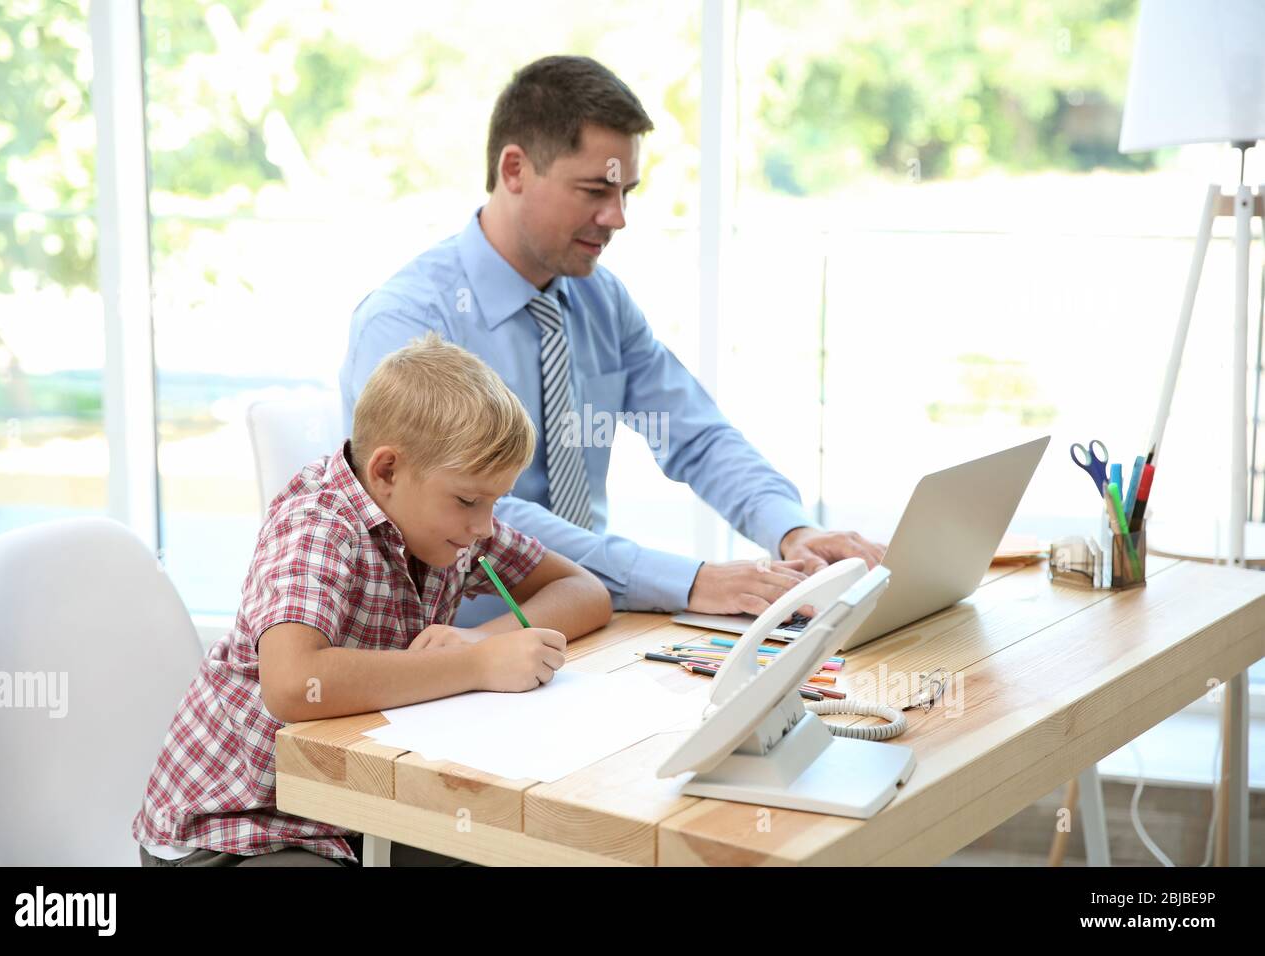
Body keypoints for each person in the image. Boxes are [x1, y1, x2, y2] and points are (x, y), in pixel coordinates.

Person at [341, 55, 884, 629]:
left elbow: (695, 436)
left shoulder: (600, 301)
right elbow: (485, 516)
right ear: (516, 169)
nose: (617, 216)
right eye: (595, 189)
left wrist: (792, 530)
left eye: (627, 191)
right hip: (458, 642)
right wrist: (689, 580)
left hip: (588, 620)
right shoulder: (406, 323)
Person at [133, 333, 612, 866]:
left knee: (516, 850)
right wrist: (474, 664)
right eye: (469, 501)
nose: (483, 526)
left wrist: (483, 638)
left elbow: (585, 591)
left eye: (494, 502)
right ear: (387, 471)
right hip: (238, 829)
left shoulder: (452, 524)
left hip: (358, 810)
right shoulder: (318, 522)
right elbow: (293, 685)